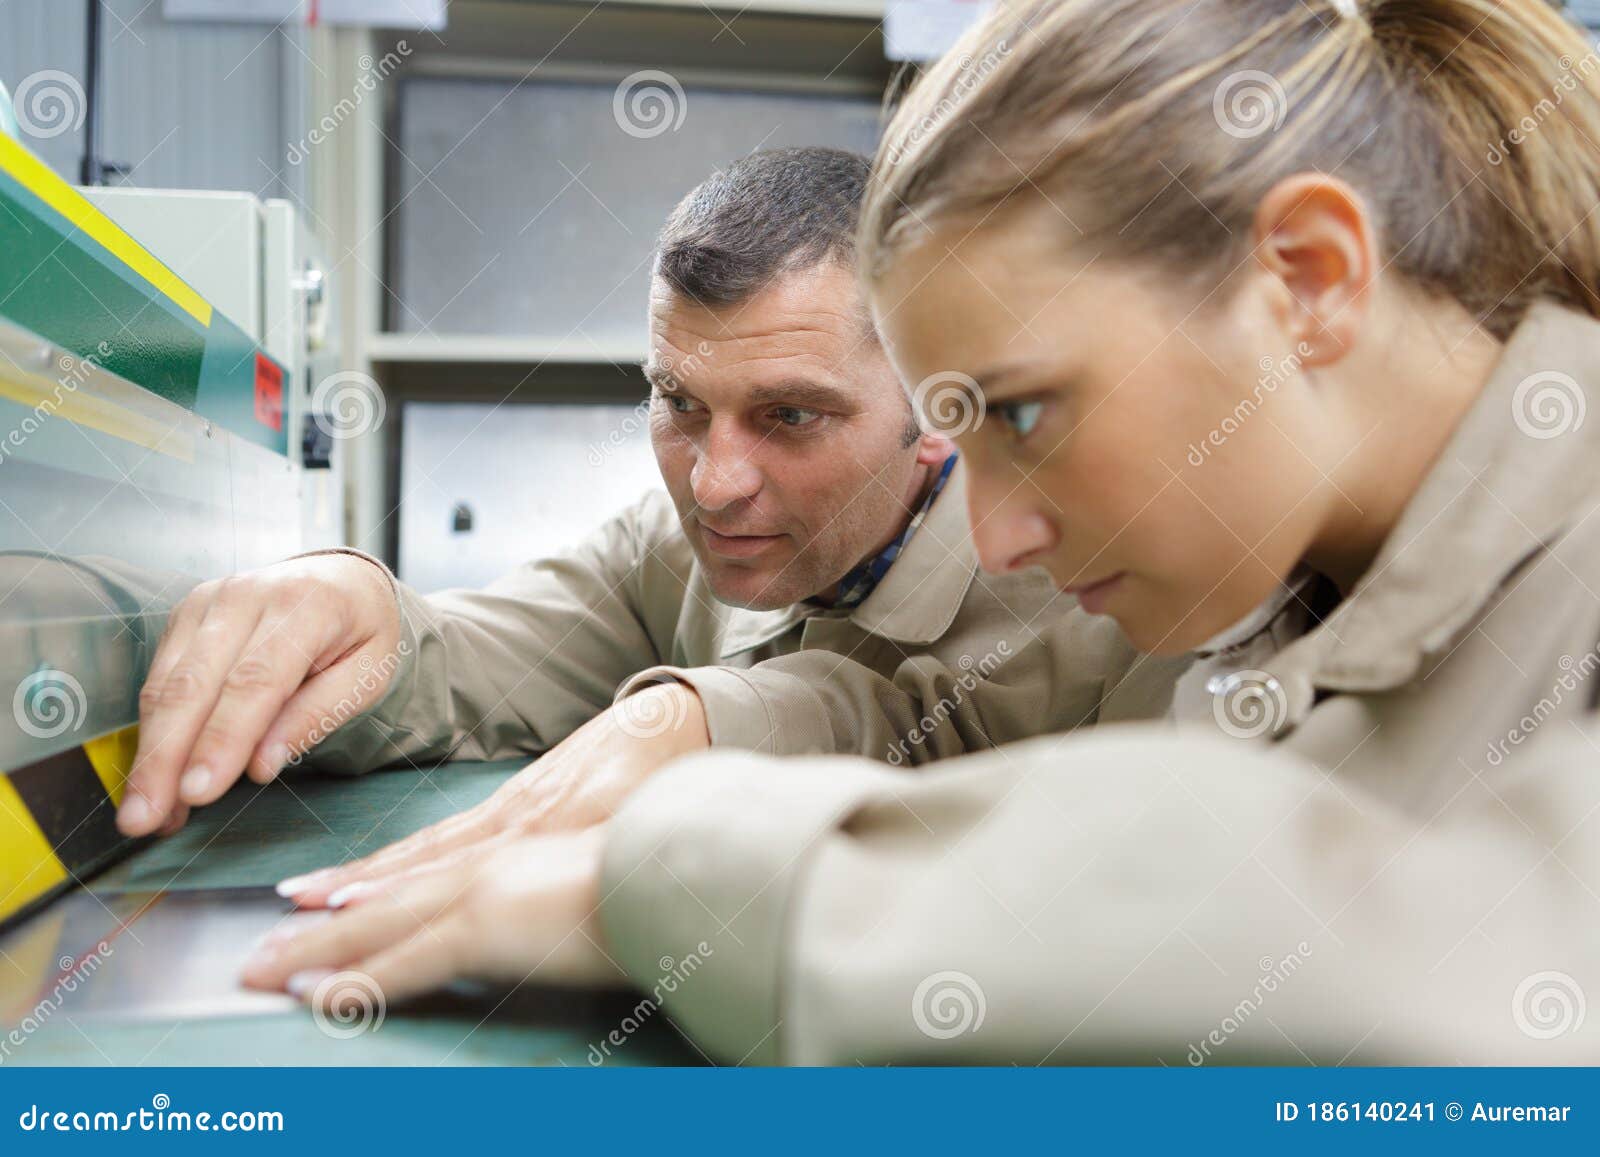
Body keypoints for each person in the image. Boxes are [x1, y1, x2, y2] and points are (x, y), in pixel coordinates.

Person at [249, 0, 1600, 1064]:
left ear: (1305, 279)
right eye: (679, 406)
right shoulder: (1288, 591)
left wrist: (664, 878)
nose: (996, 533)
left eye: (1023, 410)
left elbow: (1462, 946)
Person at [121, 146, 1171, 875]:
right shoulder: (672, 549)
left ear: (943, 404)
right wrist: (354, 604)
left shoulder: (1093, 595)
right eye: (678, 402)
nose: (713, 483)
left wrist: (698, 724)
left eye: (791, 415)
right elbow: (470, 655)